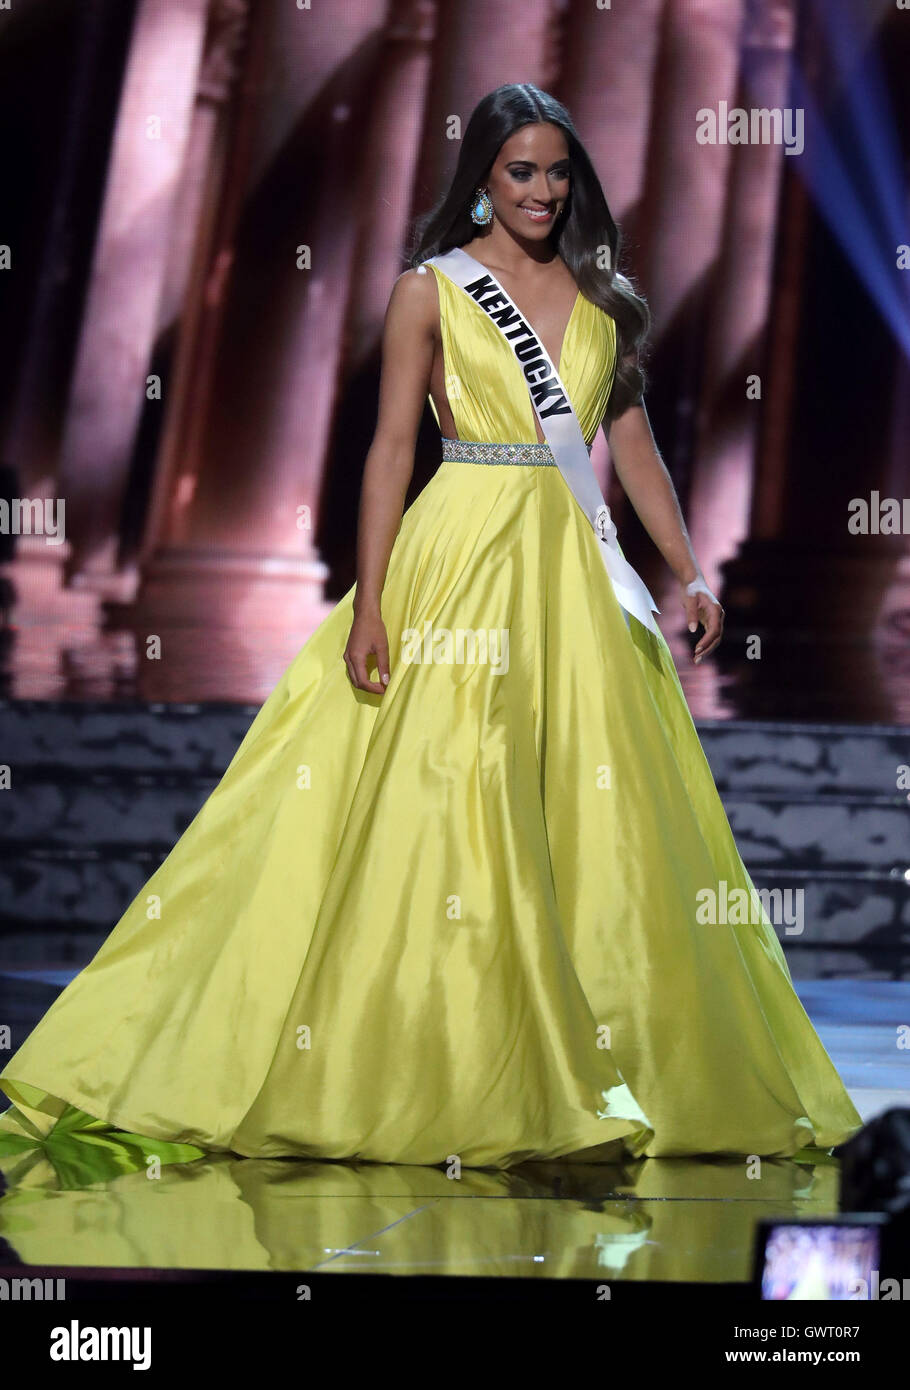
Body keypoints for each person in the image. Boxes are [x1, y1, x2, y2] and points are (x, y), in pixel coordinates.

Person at [0, 83, 861, 1172]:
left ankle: (591, 1060)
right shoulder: (432, 292)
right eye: (519, 172)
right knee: (457, 786)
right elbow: (387, 454)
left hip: (571, 573)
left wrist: (686, 569)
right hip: (455, 554)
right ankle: (441, 1060)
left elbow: (630, 448)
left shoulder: (607, 301)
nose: (541, 191)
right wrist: (369, 598)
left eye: (556, 171)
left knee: (586, 809)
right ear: (481, 180)